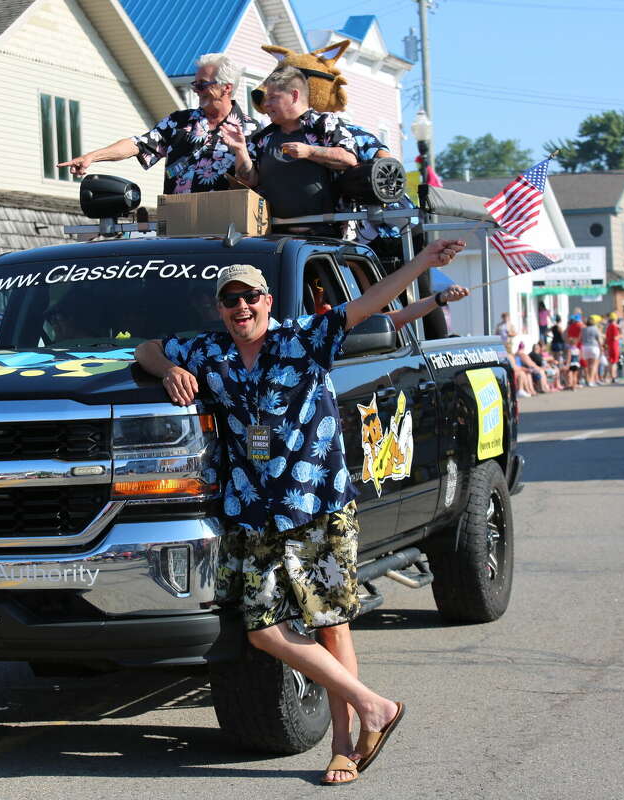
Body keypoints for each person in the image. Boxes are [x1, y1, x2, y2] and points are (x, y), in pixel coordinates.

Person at [135, 238, 467, 786]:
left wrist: (423, 263)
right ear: (219, 308)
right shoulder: (208, 352)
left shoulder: (305, 337)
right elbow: (146, 348)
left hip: (315, 505)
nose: (241, 308)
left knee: (331, 624)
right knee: (262, 629)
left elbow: (370, 302)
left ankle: (341, 746)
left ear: (268, 300)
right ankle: (374, 706)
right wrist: (169, 367)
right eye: (230, 301)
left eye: (250, 298)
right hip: (251, 512)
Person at [58, 54, 258, 194]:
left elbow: (251, 181)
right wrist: (92, 157)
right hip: (178, 225)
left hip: (225, 232)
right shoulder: (178, 122)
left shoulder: (252, 130)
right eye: (194, 84)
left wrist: (240, 150)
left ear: (226, 88)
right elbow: (138, 144)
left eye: (202, 84)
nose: (196, 90)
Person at [223, 66, 360, 233]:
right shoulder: (264, 137)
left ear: (294, 96)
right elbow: (249, 181)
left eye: (273, 97)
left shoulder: (324, 123)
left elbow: (348, 159)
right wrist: (240, 149)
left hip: (324, 236)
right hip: (275, 235)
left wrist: (310, 152)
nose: (266, 104)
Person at [580, 316, 602, 387]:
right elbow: (598, 339)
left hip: (585, 347)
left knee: (587, 365)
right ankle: (591, 380)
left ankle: (588, 379)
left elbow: (580, 339)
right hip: (593, 346)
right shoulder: (595, 329)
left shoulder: (583, 329)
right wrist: (601, 348)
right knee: (594, 365)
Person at [604, 312, 621, 384]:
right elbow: (615, 337)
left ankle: (611, 377)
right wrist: (621, 335)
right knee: (614, 362)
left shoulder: (608, 327)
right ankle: (613, 377)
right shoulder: (614, 326)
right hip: (614, 345)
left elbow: (607, 337)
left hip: (610, 345)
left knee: (611, 362)